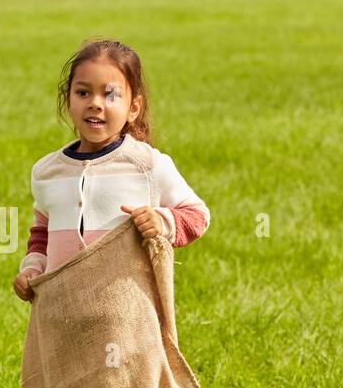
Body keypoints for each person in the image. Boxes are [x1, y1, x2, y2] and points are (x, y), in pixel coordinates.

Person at [13, 39, 209, 299]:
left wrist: (162, 221)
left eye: (110, 95)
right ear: (68, 100)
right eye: (83, 93)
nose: (95, 103)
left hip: (126, 317)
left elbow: (198, 216)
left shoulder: (148, 166)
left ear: (133, 108)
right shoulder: (47, 172)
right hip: (60, 315)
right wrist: (31, 269)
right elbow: (41, 234)